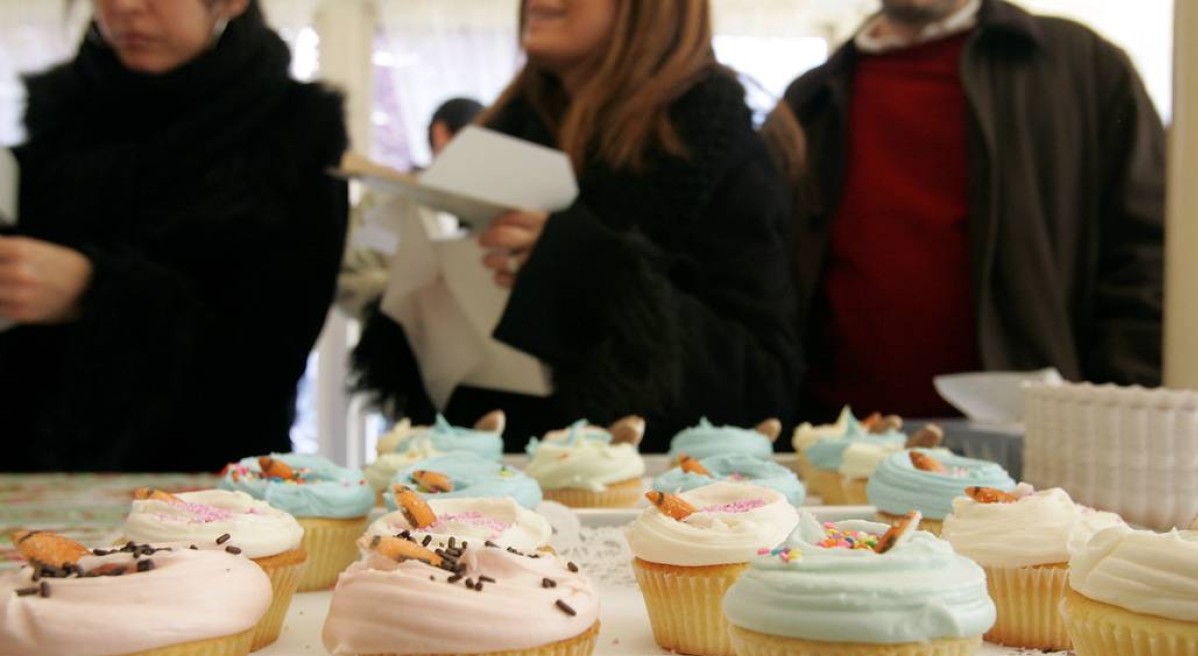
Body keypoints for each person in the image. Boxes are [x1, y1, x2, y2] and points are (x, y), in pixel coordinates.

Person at [352, 0, 802, 452]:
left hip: (659, 503)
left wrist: (589, 275)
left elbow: (762, 391)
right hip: (505, 496)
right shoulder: (505, 137)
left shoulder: (720, 150)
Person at [0, 0, 349, 471]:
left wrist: (99, 291)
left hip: (211, 482)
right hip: (34, 473)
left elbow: (272, 349)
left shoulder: (298, 131)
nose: (124, 7)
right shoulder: (58, 115)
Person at [787, 0, 1165, 422]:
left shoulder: (1082, 67)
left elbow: (1148, 263)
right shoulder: (810, 100)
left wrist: (1115, 423)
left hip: (1036, 461)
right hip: (837, 459)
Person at [336, 96, 484, 321]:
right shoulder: (386, 197)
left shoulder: (486, 211)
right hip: (391, 339)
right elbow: (347, 276)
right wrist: (410, 290)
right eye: (476, 143)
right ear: (441, 134)